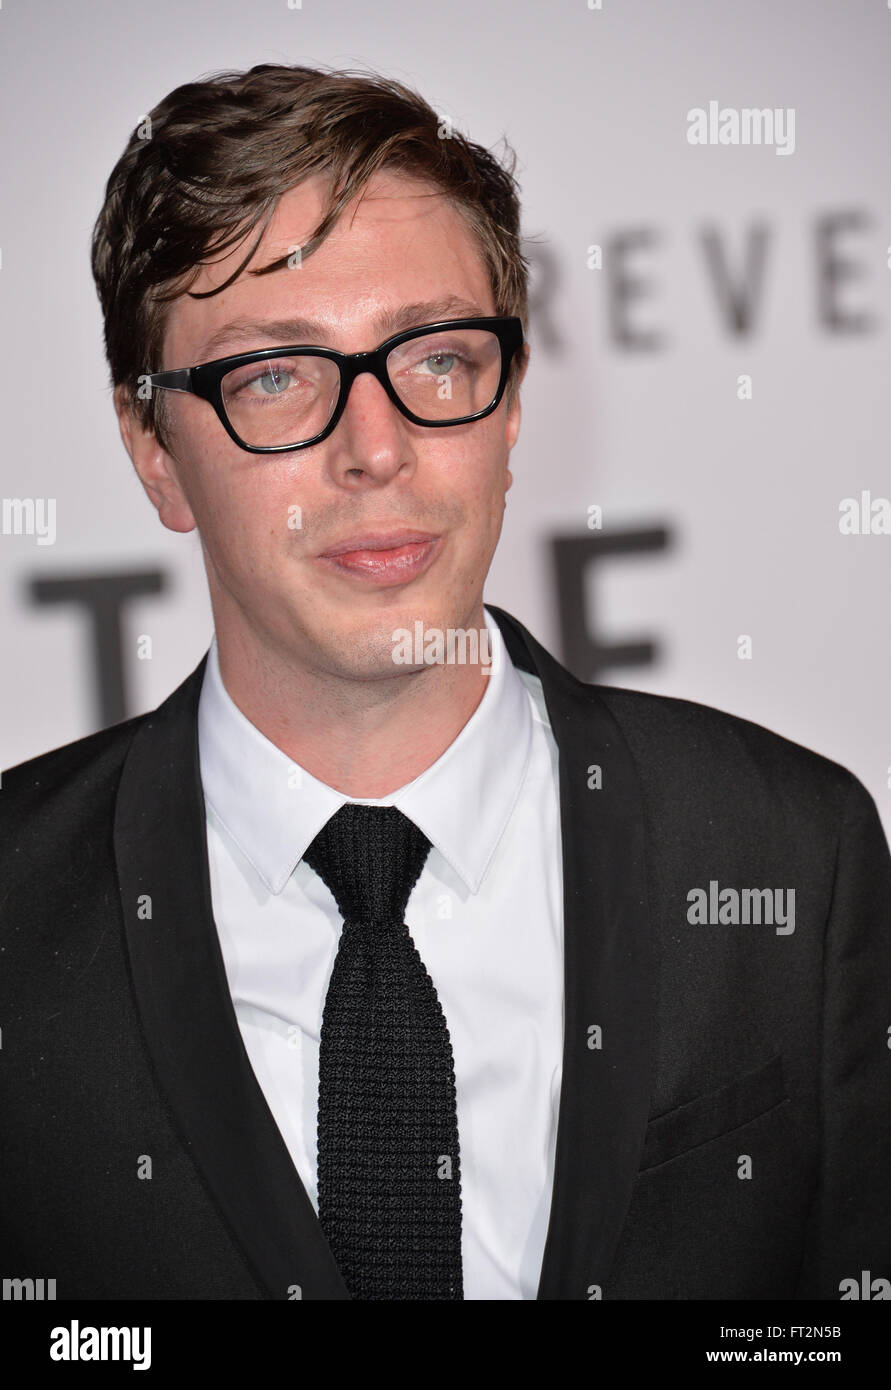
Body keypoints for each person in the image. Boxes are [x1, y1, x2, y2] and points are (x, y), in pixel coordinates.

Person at [1, 62, 889, 1302]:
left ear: (513, 402)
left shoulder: (792, 854)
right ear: (153, 448)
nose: (379, 449)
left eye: (435, 358)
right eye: (275, 376)